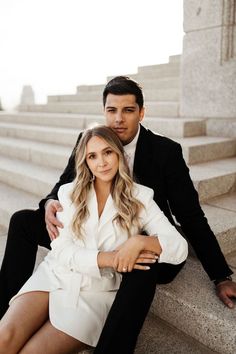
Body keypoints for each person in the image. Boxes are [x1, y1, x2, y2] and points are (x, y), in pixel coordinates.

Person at [0, 76, 235, 352]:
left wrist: (220, 275)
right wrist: (51, 201)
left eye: (128, 110)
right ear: (104, 112)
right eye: (112, 110)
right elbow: (66, 182)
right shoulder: (89, 141)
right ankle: (6, 306)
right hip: (90, 230)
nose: (119, 119)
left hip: (141, 234)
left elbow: (191, 216)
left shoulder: (165, 153)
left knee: (140, 268)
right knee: (21, 221)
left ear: (141, 113)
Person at [0, 126, 188, 354]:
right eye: (93, 156)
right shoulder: (69, 193)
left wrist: (140, 242)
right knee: (4, 338)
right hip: (54, 275)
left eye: (108, 152)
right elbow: (61, 250)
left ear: (120, 154)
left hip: (95, 294)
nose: (102, 162)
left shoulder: (141, 197)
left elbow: (179, 248)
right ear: (85, 162)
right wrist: (109, 258)